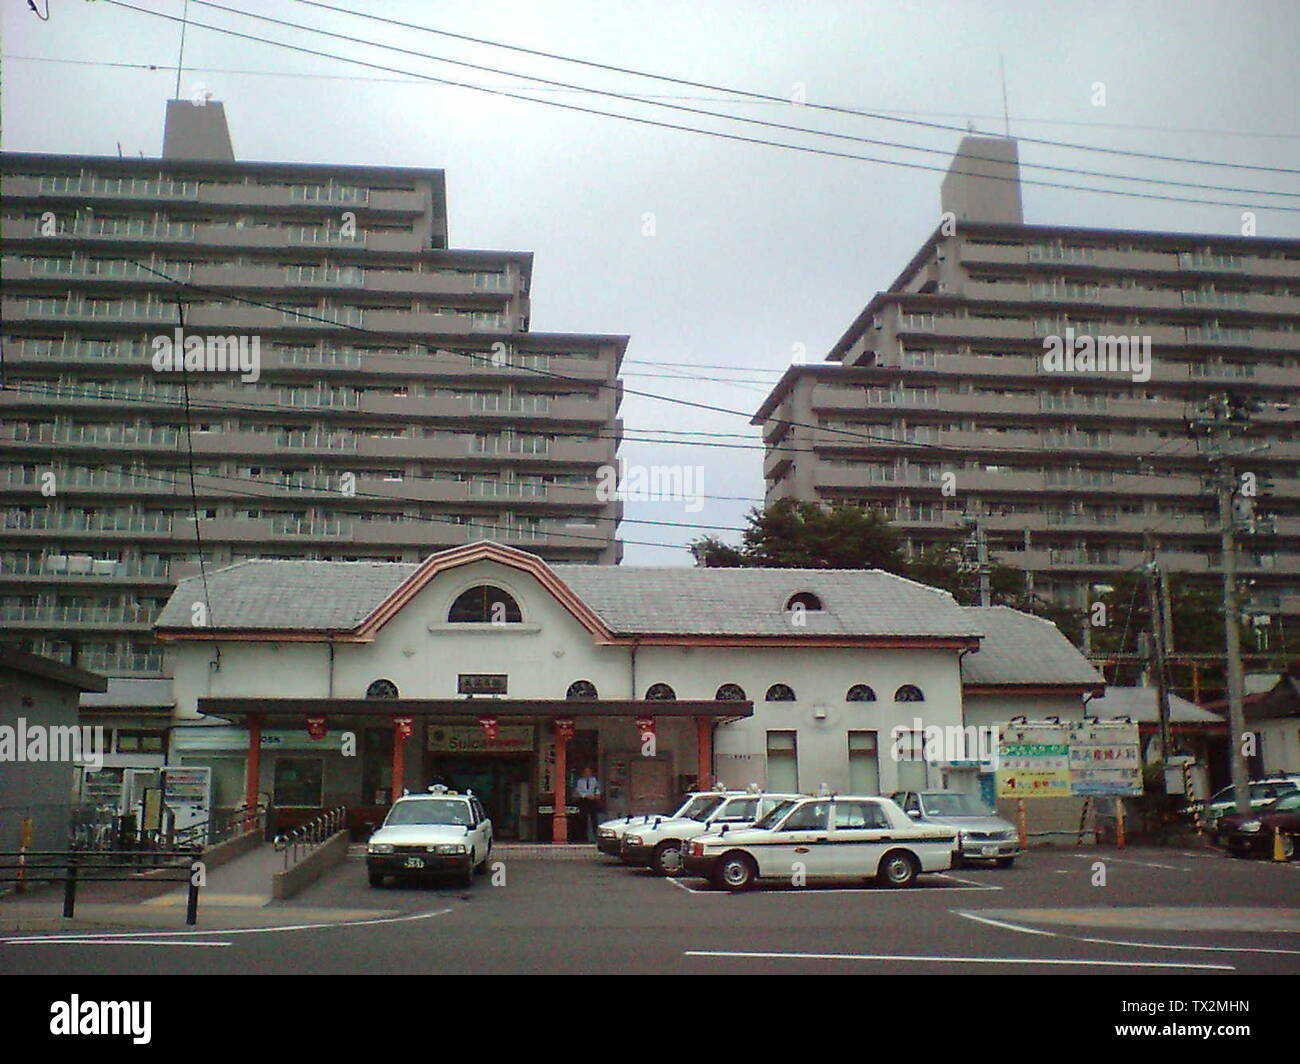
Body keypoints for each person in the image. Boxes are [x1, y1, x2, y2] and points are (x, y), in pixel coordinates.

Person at [573, 766, 602, 842]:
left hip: (592, 800)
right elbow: (578, 791)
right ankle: (583, 836)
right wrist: (586, 795)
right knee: (583, 818)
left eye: (589, 772)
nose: (587, 773)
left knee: (594, 819)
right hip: (584, 800)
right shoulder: (580, 781)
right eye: (586, 772)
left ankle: (596, 836)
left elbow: (596, 789)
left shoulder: (594, 780)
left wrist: (596, 795)